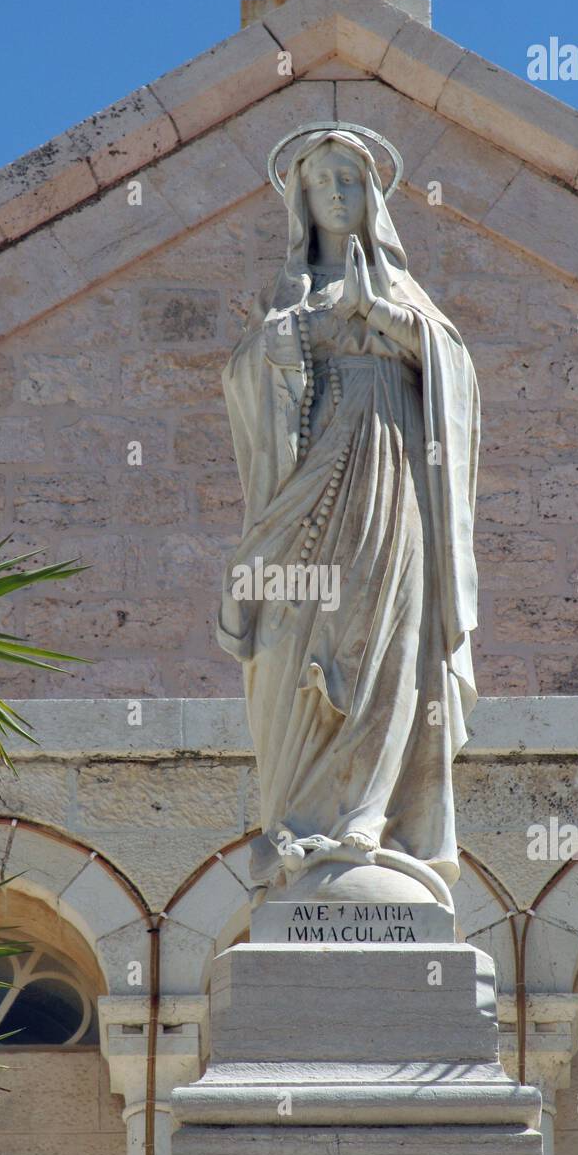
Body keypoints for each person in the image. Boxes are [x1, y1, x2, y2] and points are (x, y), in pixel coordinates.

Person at [216, 128, 480, 898]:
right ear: (300, 198)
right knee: (298, 648)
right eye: (322, 180)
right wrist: (281, 348)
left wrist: (384, 319)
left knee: (390, 643)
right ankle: (298, 816)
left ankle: (369, 819)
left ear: (373, 198)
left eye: (351, 180)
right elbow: (248, 389)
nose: (337, 192)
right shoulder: (288, 299)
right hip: (306, 499)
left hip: (395, 487)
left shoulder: (407, 298)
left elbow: (454, 379)